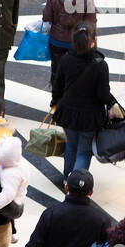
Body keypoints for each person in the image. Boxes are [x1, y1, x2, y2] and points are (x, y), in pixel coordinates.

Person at [51, 24, 111, 179]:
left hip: (68, 112)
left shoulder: (66, 60)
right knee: (84, 151)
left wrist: (54, 103)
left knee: (71, 145)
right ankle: (75, 184)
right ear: (93, 41)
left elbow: (57, 86)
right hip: (90, 116)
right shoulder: (100, 64)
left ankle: (67, 178)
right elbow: (103, 95)